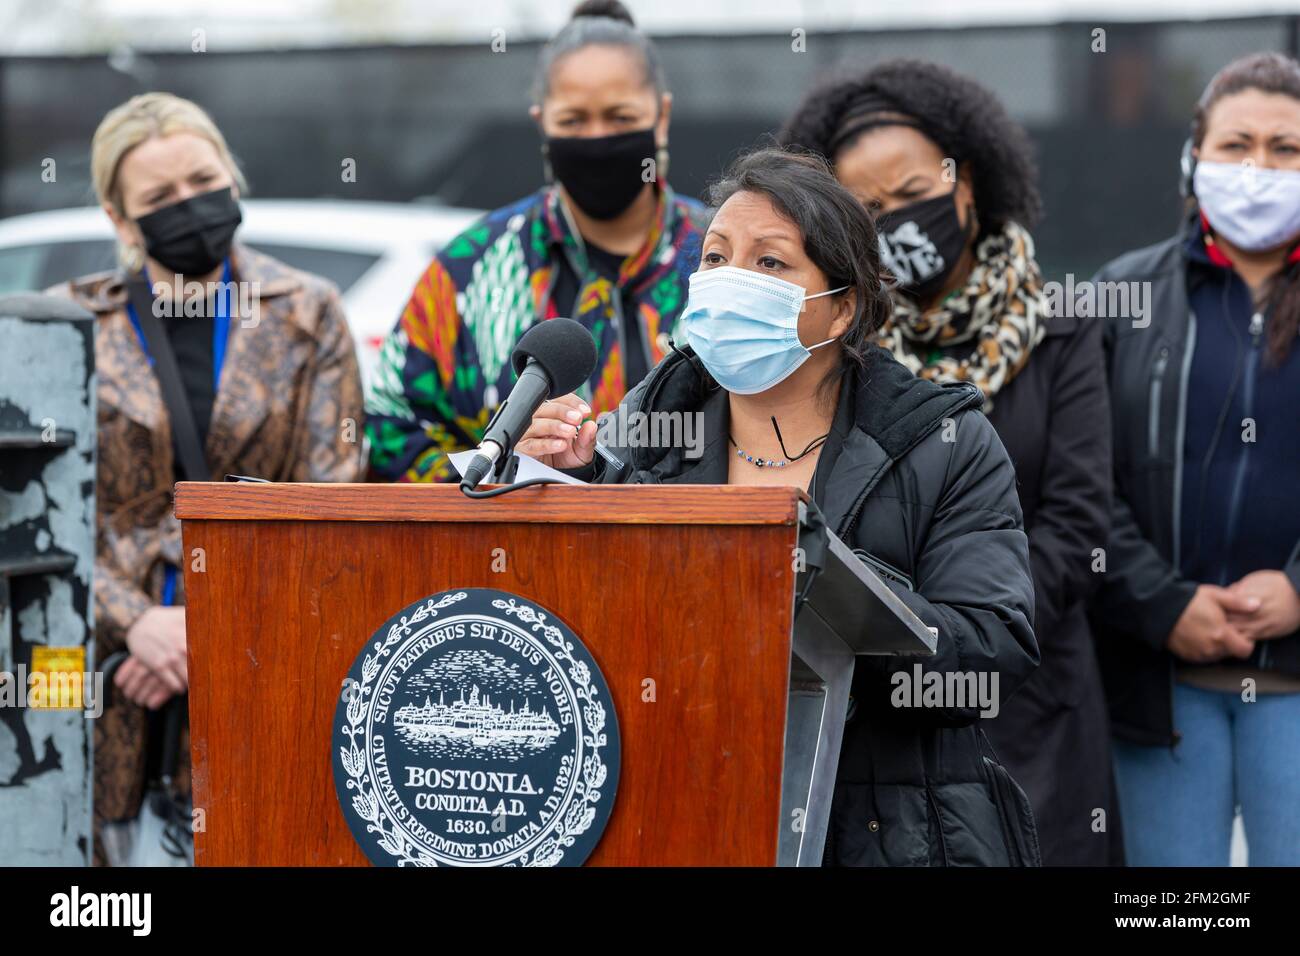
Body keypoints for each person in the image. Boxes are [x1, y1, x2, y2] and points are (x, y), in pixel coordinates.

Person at [519, 147, 1041, 866]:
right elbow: (575, 639)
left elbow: (992, 656)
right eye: (715, 258)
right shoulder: (640, 438)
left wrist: (828, 585)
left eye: (769, 263)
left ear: (842, 305)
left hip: (889, 832)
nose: (730, 280)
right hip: (679, 812)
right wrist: (553, 492)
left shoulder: (942, 442)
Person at [779, 60, 1115, 865]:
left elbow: (1080, 519)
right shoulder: (830, 356)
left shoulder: (1058, 330)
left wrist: (969, 622)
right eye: (868, 208)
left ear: (967, 186)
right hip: (871, 714)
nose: (897, 219)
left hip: (1031, 696)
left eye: (913, 190)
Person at [48, 92, 365, 865]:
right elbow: (35, 514)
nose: (188, 206)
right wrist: (136, 622)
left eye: (202, 179)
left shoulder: (308, 312)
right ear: (121, 220)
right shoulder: (66, 324)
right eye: (158, 198)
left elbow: (333, 500)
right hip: (94, 677)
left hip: (261, 667)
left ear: (232, 175)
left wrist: (206, 628)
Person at [1090, 51, 1300, 866]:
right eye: (1236, 144)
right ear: (1194, 158)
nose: (1259, 168)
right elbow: (1080, 483)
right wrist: (1163, 602)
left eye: (1285, 149)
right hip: (1158, 687)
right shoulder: (1121, 295)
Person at [365, 0, 708, 482]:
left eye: (620, 117)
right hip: (506, 551)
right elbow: (389, 428)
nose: (597, 138)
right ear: (541, 123)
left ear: (662, 116)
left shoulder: (722, 258)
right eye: (573, 121)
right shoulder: (470, 267)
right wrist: (497, 472)